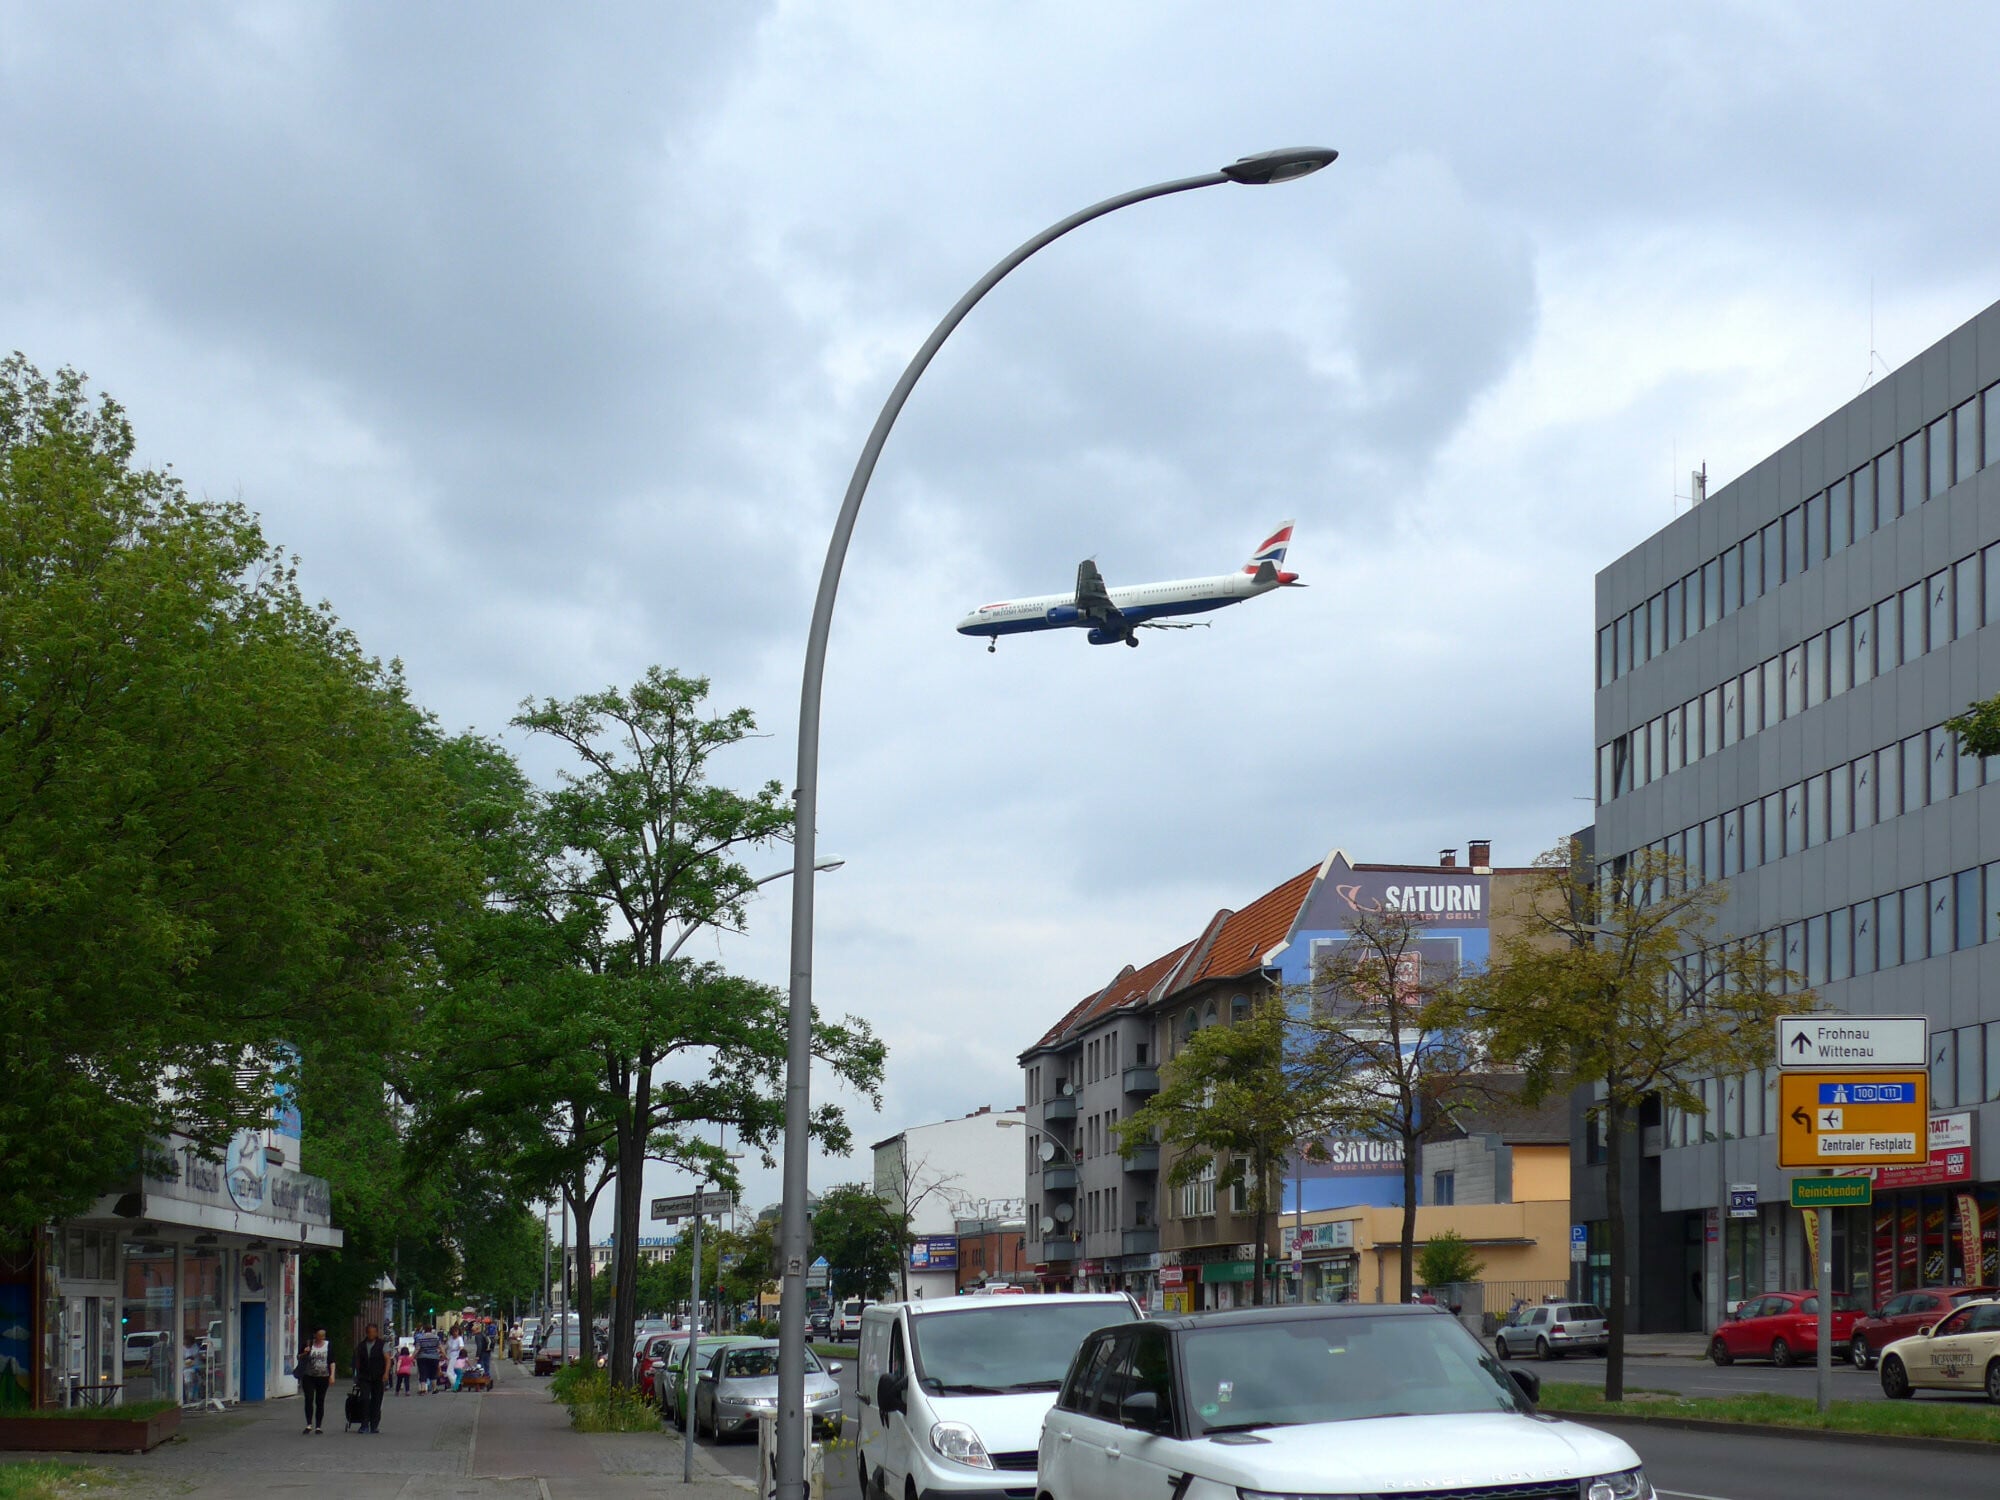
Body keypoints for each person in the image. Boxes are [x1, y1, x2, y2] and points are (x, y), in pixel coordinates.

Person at [352, 1322, 390, 1434]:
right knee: (364, 1399)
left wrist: (386, 1373)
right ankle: (364, 1424)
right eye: (369, 1332)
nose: (371, 1334)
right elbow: (357, 1362)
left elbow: (387, 1359)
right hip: (364, 1376)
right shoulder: (361, 1345)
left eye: (373, 1332)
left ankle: (374, 1425)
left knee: (376, 1400)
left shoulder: (382, 1344)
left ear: (377, 1333)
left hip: (378, 1376)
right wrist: (356, 1376)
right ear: (366, 1333)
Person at [297, 1327, 333, 1434]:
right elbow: (298, 1357)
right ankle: (309, 1424)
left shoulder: (328, 1345)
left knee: (320, 1400)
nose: (322, 1337)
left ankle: (318, 1426)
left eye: (323, 1335)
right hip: (309, 1376)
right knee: (309, 1399)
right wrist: (304, 1352)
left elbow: (332, 1361)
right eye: (320, 1335)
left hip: (323, 1376)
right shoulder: (308, 1343)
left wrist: (332, 1375)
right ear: (315, 1335)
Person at [414, 1323, 441, 1394]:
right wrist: (444, 1355)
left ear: (424, 1330)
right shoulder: (436, 1337)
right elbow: (440, 1347)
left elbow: (417, 1348)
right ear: (431, 1330)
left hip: (422, 1357)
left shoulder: (420, 1338)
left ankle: (423, 1389)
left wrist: (412, 1356)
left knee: (423, 1373)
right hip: (434, 1357)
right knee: (433, 1373)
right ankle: (434, 1389)